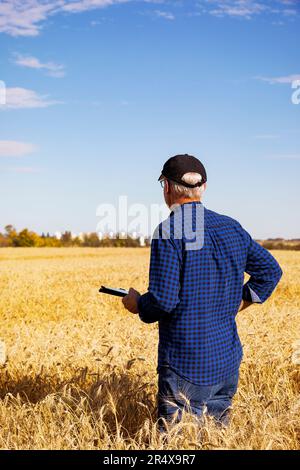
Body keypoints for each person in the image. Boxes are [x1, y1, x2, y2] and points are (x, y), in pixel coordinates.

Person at [122, 154, 282, 430]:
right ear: (203, 188)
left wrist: (138, 304)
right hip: (227, 360)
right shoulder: (231, 227)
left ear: (167, 188)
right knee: (217, 439)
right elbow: (270, 272)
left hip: (186, 362)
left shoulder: (169, 230)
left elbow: (163, 300)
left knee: (177, 442)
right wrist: (237, 303)